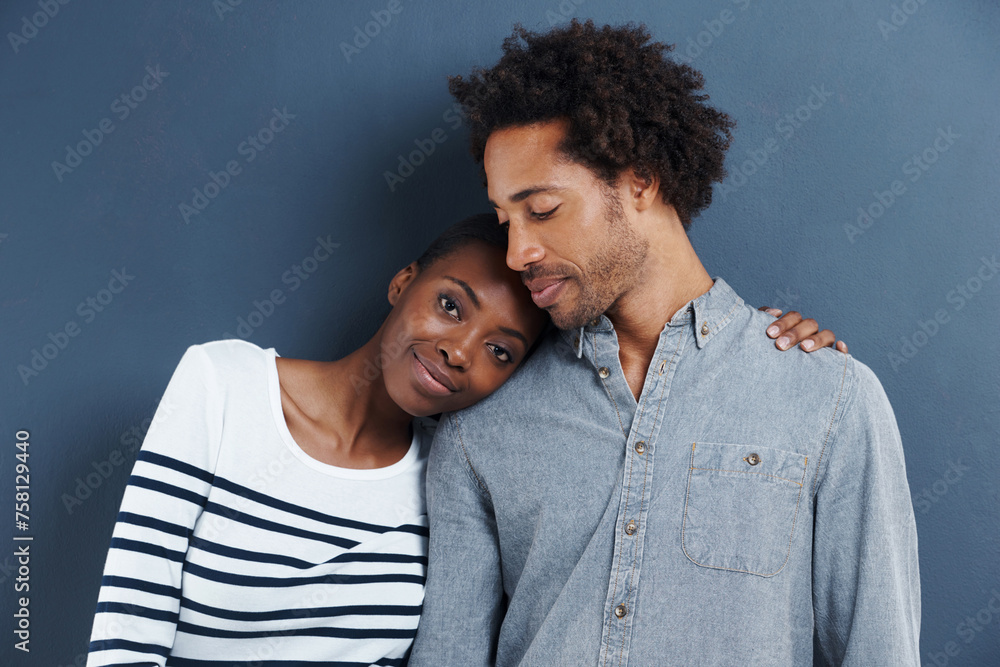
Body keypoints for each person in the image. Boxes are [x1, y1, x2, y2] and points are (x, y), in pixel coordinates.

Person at [85, 212, 837, 666]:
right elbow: (126, 630)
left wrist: (748, 349)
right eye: (450, 304)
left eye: (501, 350)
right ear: (401, 281)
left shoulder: (453, 472)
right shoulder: (224, 386)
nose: (460, 350)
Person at [409, 21, 920, 666]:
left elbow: (881, 653)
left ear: (641, 182)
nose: (518, 253)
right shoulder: (481, 422)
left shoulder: (829, 398)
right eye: (506, 221)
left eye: (540, 211)